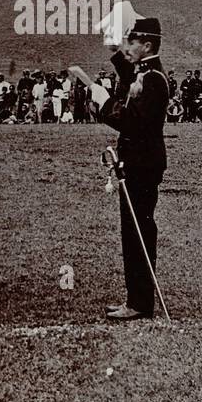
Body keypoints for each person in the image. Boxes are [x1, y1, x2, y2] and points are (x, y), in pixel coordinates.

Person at [70, 16, 168, 321]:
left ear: (147, 45)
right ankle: (136, 298)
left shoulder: (153, 79)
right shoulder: (146, 73)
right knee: (133, 231)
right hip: (138, 162)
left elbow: (132, 121)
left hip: (142, 164)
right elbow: (129, 77)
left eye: (132, 42)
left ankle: (140, 302)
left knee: (137, 232)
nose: (128, 47)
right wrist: (116, 52)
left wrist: (103, 100)